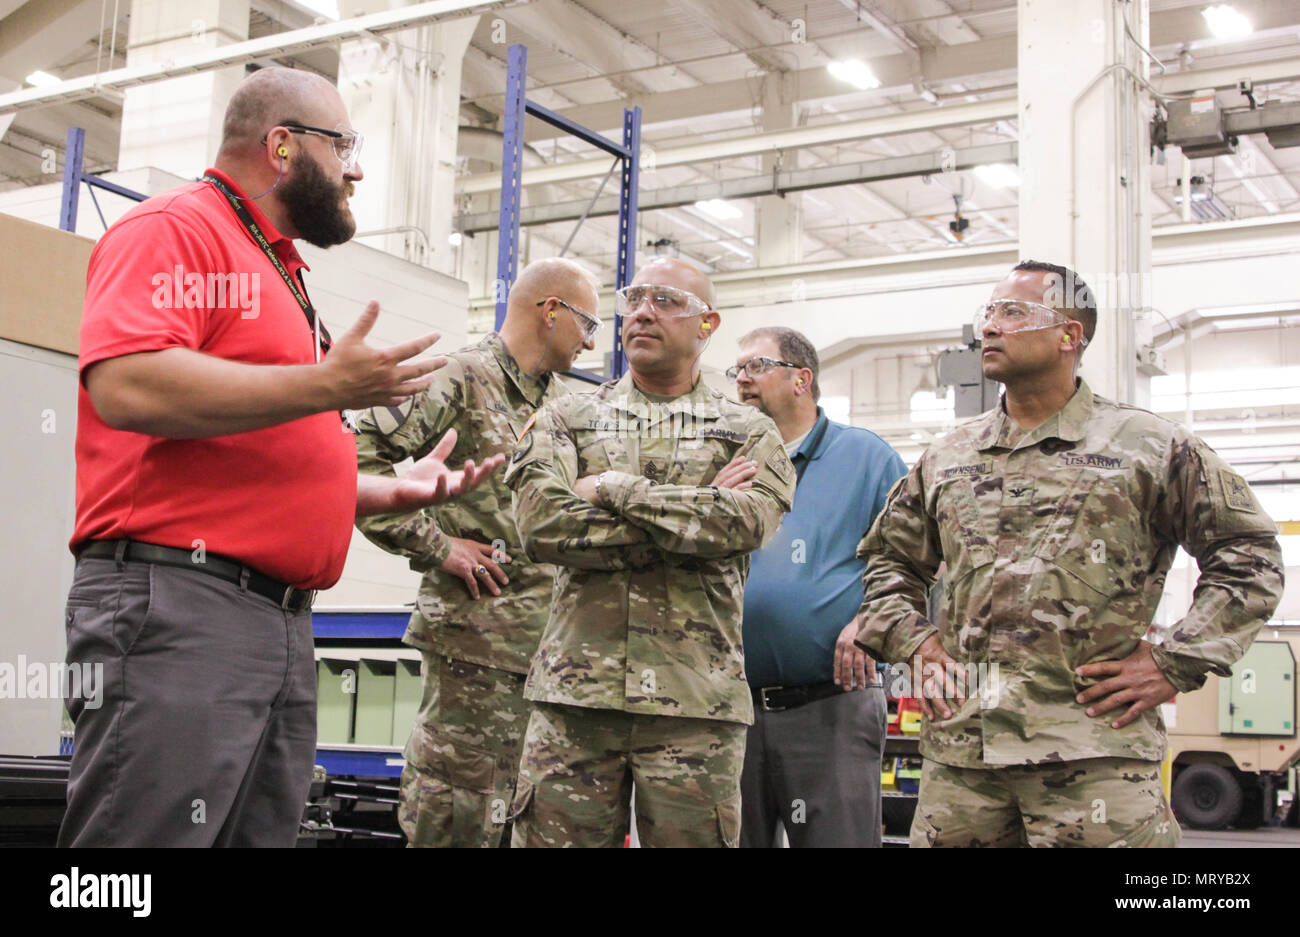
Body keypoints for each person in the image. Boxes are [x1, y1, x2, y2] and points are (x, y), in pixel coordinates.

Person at [60, 67, 501, 848]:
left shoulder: (277, 266)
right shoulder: (176, 229)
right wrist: (324, 382)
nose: (357, 168)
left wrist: (380, 492)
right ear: (283, 146)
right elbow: (125, 383)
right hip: (181, 608)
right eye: (345, 147)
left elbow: (260, 454)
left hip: (277, 622)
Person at [854, 259, 1284, 848]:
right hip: (964, 762)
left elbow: (1249, 556)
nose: (990, 327)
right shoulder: (949, 454)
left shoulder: (1151, 447)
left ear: (1069, 336)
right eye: (988, 314)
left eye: (1013, 312)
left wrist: (1173, 662)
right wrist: (916, 643)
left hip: (1094, 755)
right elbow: (889, 560)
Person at [503, 258, 795, 847]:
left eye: (663, 300)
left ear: (706, 323)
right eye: (633, 298)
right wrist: (696, 514)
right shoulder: (569, 415)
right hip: (575, 702)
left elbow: (745, 524)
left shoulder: (749, 431)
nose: (641, 311)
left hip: (694, 708)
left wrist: (614, 490)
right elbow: (543, 527)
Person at [353, 257, 601, 847]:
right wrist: (438, 546)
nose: (591, 344)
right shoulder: (459, 377)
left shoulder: (562, 405)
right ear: (551, 312)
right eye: (587, 325)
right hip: (476, 648)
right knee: (461, 810)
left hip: (550, 659)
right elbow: (355, 462)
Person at [730, 326, 906, 848]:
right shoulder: (730, 465)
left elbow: (917, 561)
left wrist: (869, 621)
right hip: (728, 710)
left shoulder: (867, 459)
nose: (741, 379)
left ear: (801, 379)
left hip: (830, 707)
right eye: (735, 369)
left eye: (756, 366)